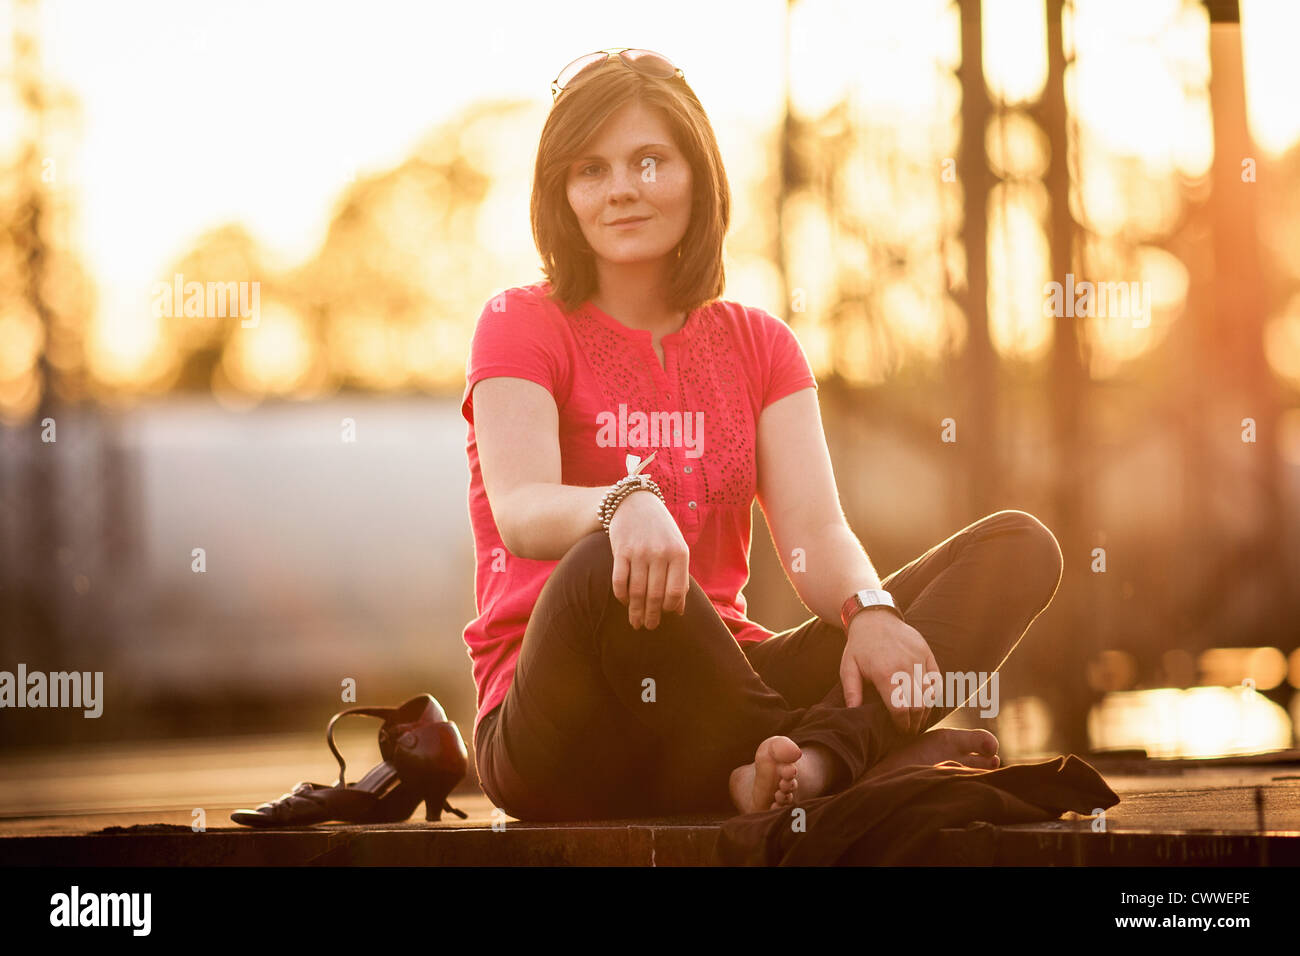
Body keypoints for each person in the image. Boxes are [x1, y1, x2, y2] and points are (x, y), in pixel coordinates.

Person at [459, 48, 1064, 821]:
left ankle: (806, 766)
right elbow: (520, 509)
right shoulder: (520, 323)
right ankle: (851, 760)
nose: (621, 190)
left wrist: (869, 612)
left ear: (697, 174)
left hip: (721, 700)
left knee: (1016, 547)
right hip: (561, 731)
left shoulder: (759, 344)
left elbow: (815, 533)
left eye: (650, 161)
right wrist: (624, 503)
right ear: (563, 194)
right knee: (603, 565)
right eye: (590, 169)